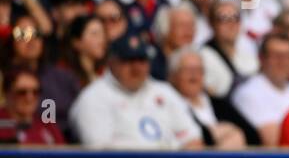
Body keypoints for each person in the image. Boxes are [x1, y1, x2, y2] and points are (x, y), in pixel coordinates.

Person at [69, 32, 202, 149]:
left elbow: (193, 139)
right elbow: (101, 154)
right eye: (129, 60)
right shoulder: (94, 98)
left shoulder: (164, 92)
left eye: (142, 60)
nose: (137, 67)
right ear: (112, 62)